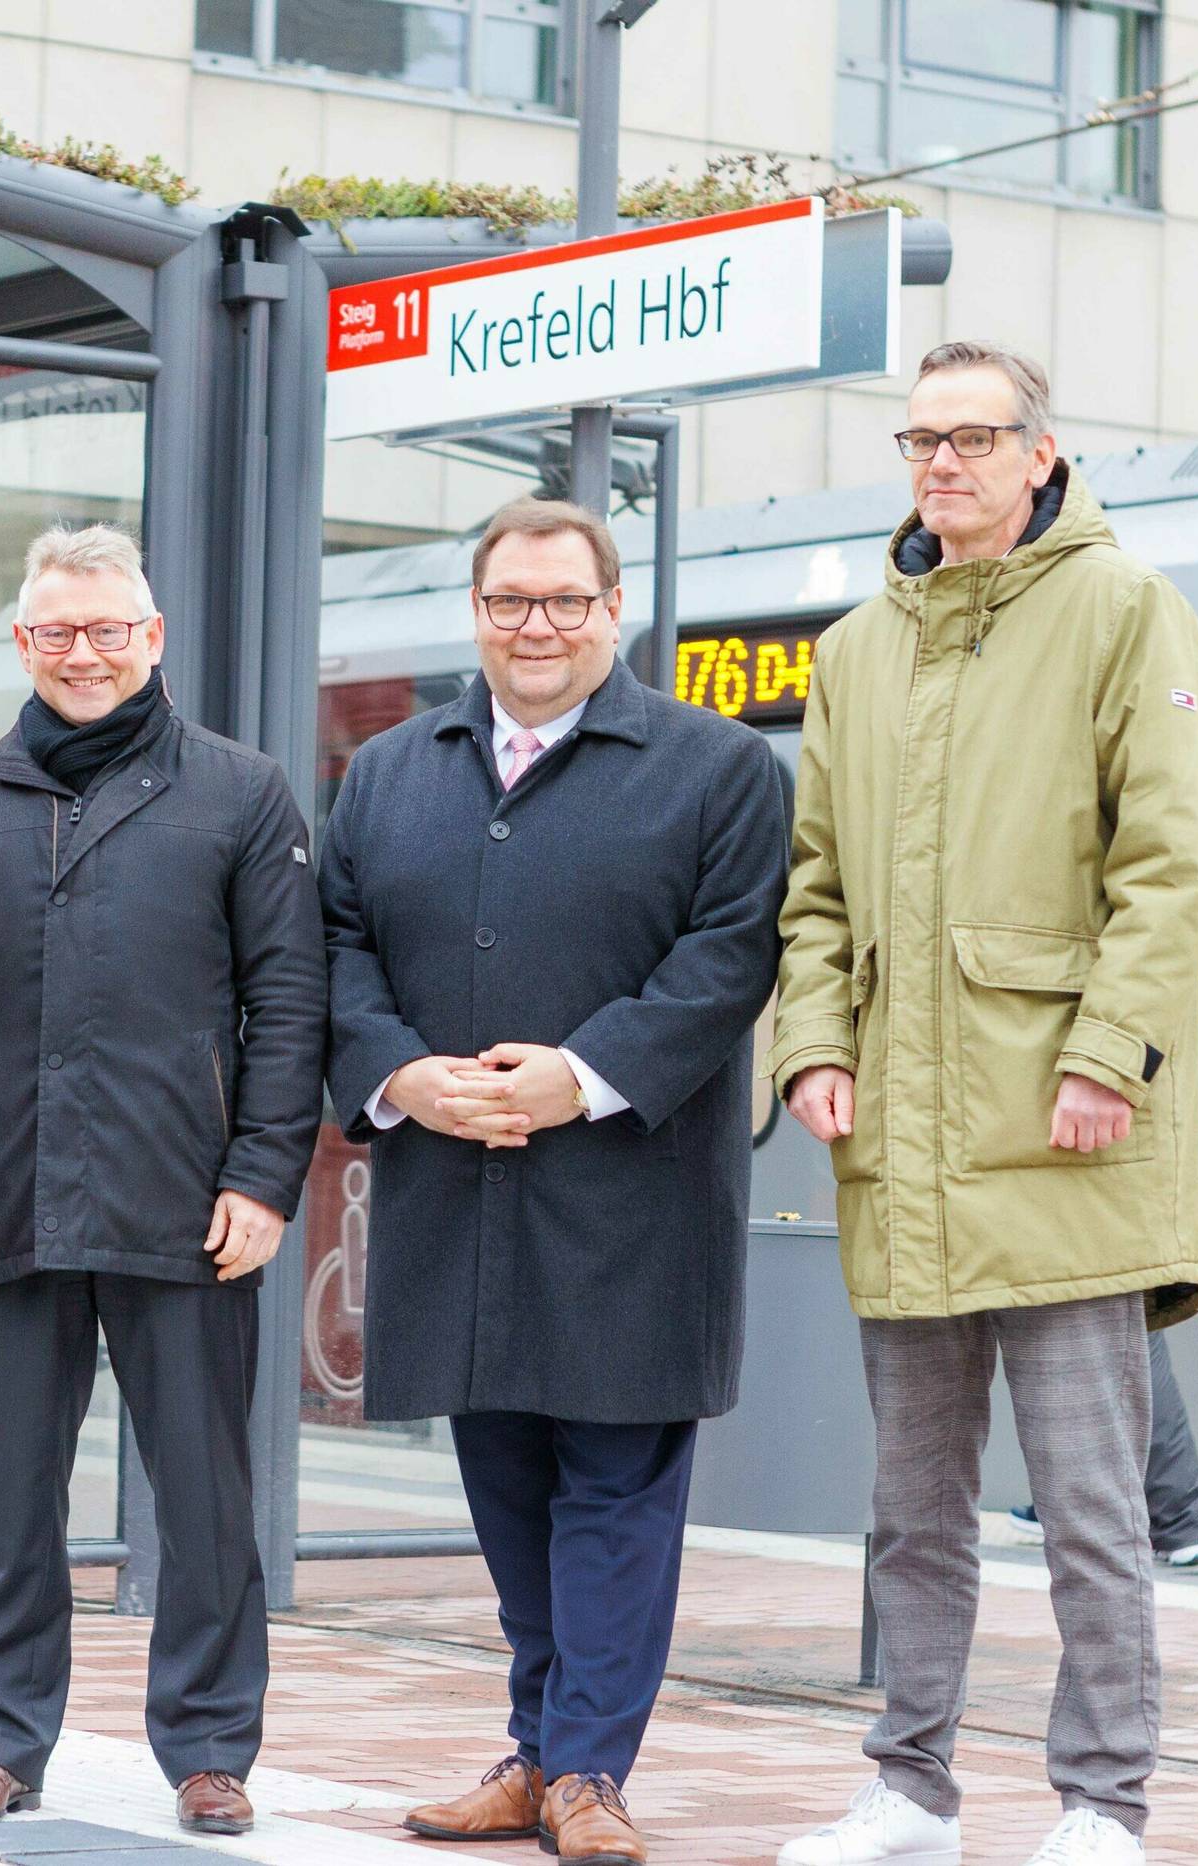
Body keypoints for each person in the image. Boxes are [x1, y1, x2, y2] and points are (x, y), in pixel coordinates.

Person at [770, 343, 1198, 1866]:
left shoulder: (1123, 607)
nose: (940, 463)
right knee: (911, 1514)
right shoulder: (855, 649)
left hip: (1065, 1137)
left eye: (971, 437)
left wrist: (1108, 1057)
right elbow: (817, 889)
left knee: (1094, 1515)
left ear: (1044, 451)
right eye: (919, 439)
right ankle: (909, 1789)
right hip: (903, 1147)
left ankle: (1104, 1806)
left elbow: (1172, 865)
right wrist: (812, 1047)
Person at [321, 498, 789, 1866]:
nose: (537, 626)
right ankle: (539, 1749)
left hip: (630, 1200)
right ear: (475, 610)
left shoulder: (719, 768)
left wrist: (574, 1076)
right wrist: (401, 1075)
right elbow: (334, 945)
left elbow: (729, 956)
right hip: (451, 1196)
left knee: (616, 1487)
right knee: (508, 1485)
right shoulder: (391, 770)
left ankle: (588, 1766)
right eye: (512, 600)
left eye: (565, 602)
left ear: (613, 609)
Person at [0, 524, 324, 1838]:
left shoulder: (242, 795)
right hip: (5, 1192)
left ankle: (210, 1748)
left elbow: (289, 1007)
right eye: (58, 631)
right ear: (22, 644)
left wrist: (264, 1174)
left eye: (109, 628)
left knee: (204, 1497)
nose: (85, 652)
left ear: (154, 637)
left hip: (186, 1201)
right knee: (12, 1496)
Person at [1007, 935, 1198, 1567]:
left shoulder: (1141, 919)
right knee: (1090, 1313)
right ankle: (1075, 1495)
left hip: (1124, 1128)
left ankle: (1181, 1513)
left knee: (1119, 1317)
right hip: (1173, 1133)